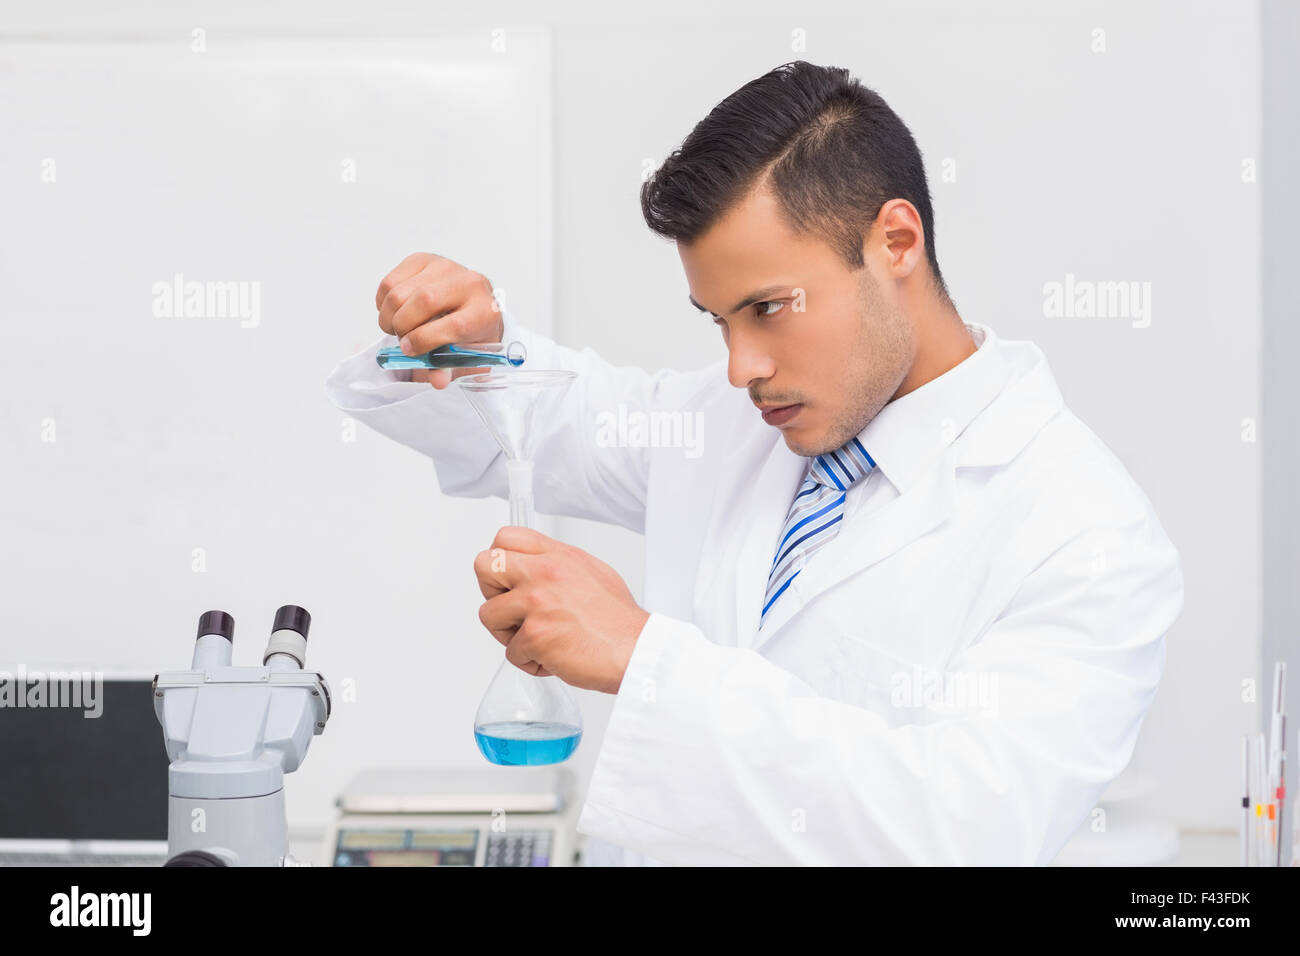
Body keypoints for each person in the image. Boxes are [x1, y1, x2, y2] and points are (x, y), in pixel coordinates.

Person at [324, 61, 1184, 865]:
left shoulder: (1084, 532)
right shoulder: (729, 422)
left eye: (770, 307)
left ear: (895, 242)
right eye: (719, 320)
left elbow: (957, 828)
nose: (742, 368)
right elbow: (547, 418)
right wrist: (472, 346)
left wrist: (643, 658)